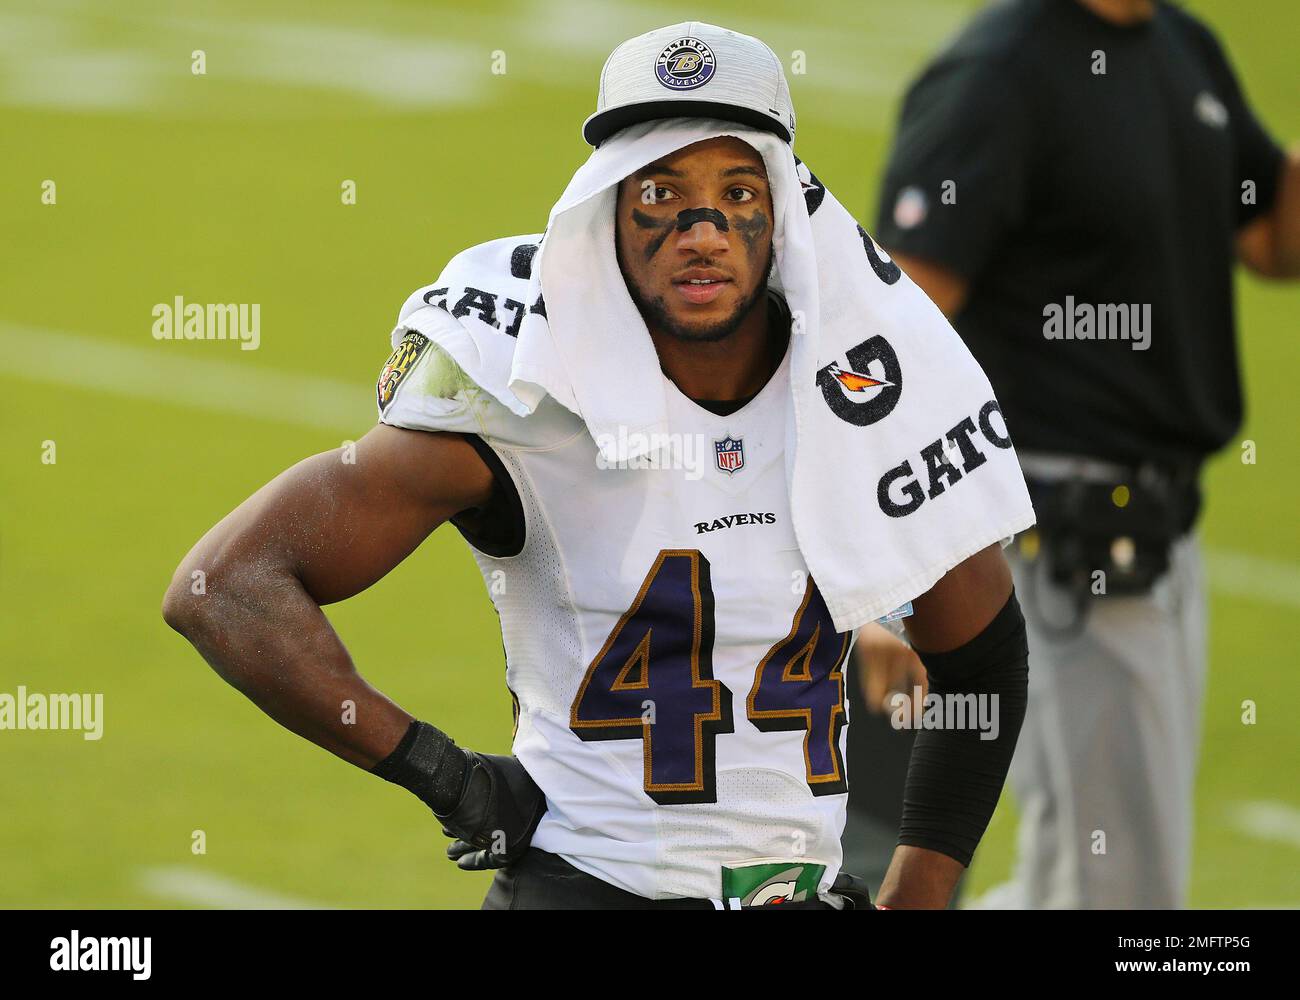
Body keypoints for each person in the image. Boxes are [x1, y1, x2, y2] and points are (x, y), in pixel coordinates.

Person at [163, 21, 1037, 910]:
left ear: (782, 210)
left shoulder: (852, 391)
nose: (703, 231)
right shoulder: (526, 394)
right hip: (587, 888)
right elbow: (224, 586)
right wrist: (446, 775)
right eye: (661, 190)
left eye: (738, 190)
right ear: (607, 210)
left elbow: (985, 662)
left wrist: (916, 899)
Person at [866, 0, 1300, 908]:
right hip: (1057, 538)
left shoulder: (1181, 47)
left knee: (1096, 880)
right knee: (1117, 894)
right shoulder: (1000, 71)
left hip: (1159, 534)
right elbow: (890, 335)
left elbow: (1271, 239)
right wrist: (877, 571)